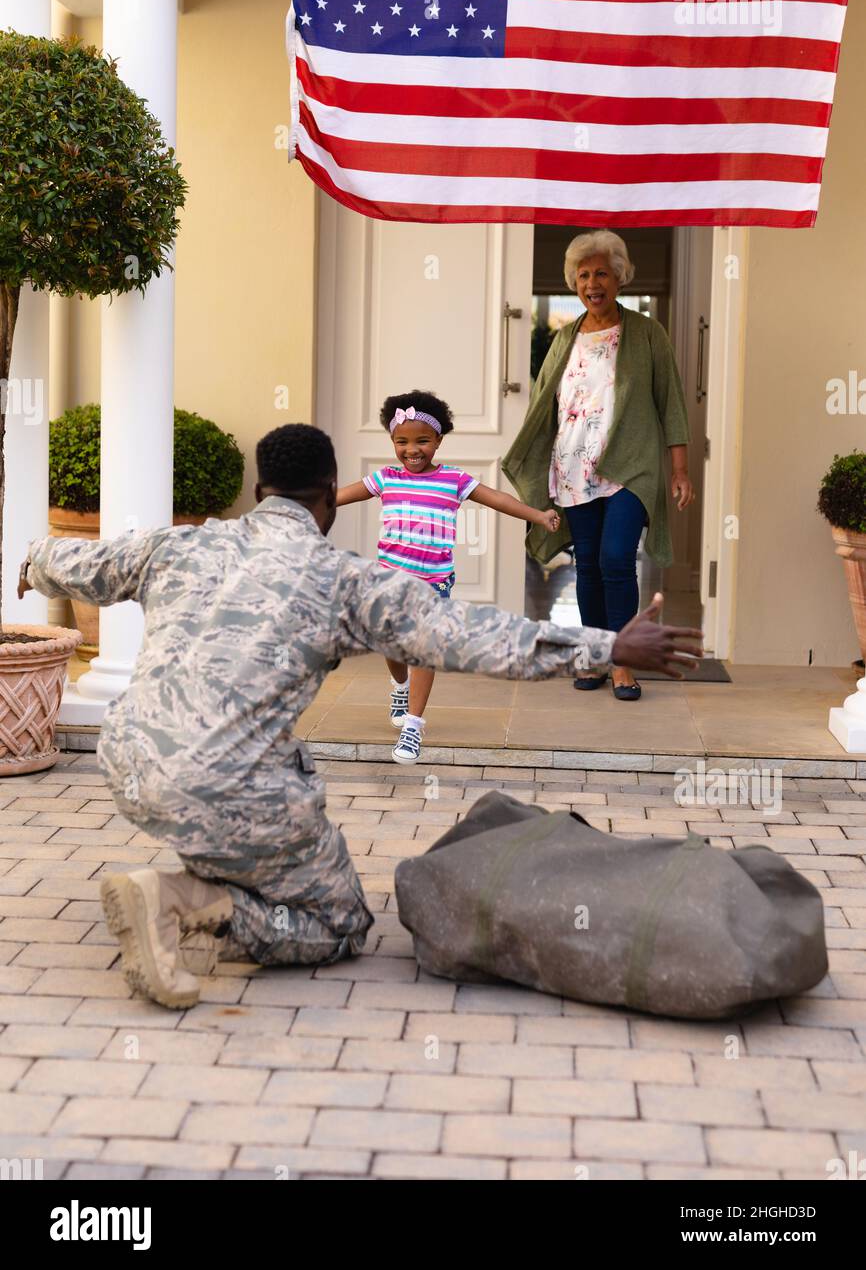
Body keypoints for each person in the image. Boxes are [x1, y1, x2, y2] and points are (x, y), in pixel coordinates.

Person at [19, 423, 702, 1011]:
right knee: (338, 921)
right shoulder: (343, 582)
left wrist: (31, 563)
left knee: (252, 800)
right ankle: (182, 901)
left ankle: (213, 872)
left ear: (261, 492)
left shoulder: (182, 545)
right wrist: (609, 645)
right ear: (328, 498)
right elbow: (469, 635)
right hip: (226, 786)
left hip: (129, 763)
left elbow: (79, 562)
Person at [503, 230, 695, 703]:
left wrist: (679, 469)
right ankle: (593, 653)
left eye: (602, 273)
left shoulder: (647, 332)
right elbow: (546, 402)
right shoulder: (566, 336)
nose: (593, 282)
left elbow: (670, 401)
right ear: (574, 283)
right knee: (586, 563)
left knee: (615, 559)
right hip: (573, 465)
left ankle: (623, 661)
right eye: (584, 275)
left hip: (630, 466)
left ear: (619, 278)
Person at [336, 390, 559, 764]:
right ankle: (400, 685)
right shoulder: (385, 478)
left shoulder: (453, 480)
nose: (412, 449)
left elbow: (497, 499)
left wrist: (537, 515)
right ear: (392, 442)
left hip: (433, 583)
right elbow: (340, 496)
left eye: (422, 440)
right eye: (402, 441)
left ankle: (413, 726)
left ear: (438, 440)